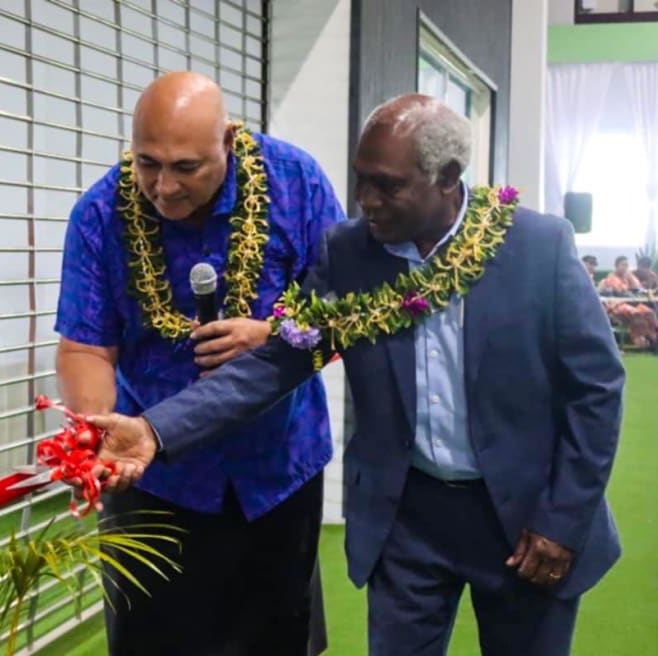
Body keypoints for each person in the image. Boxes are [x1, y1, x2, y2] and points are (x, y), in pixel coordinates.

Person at [84, 95, 624, 656]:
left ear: (448, 177)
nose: (365, 201)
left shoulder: (539, 247)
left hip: (524, 519)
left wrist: (562, 520)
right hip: (406, 520)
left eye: (387, 186)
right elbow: (279, 362)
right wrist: (153, 430)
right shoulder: (347, 253)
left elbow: (597, 390)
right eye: (361, 180)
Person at [53, 71, 345, 655]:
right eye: (147, 163)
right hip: (154, 477)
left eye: (186, 168)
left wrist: (270, 332)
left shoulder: (295, 182)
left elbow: (344, 311)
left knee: (278, 640)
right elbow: (86, 346)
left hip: (277, 470)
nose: (163, 187)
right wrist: (98, 430)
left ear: (229, 141)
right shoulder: (99, 214)